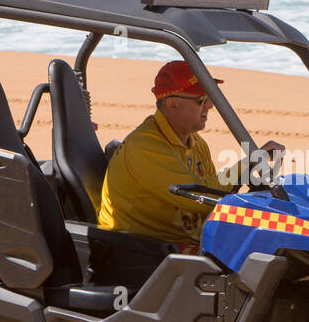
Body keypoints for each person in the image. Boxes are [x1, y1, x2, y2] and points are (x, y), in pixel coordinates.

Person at [98, 60, 283, 252]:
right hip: (138, 250)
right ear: (173, 103)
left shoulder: (195, 143)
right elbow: (201, 197)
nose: (210, 105)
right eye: (201, 99)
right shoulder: (145, 145)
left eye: (210, 97)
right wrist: (247, 164)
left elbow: (213, 195)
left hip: (182, 242)